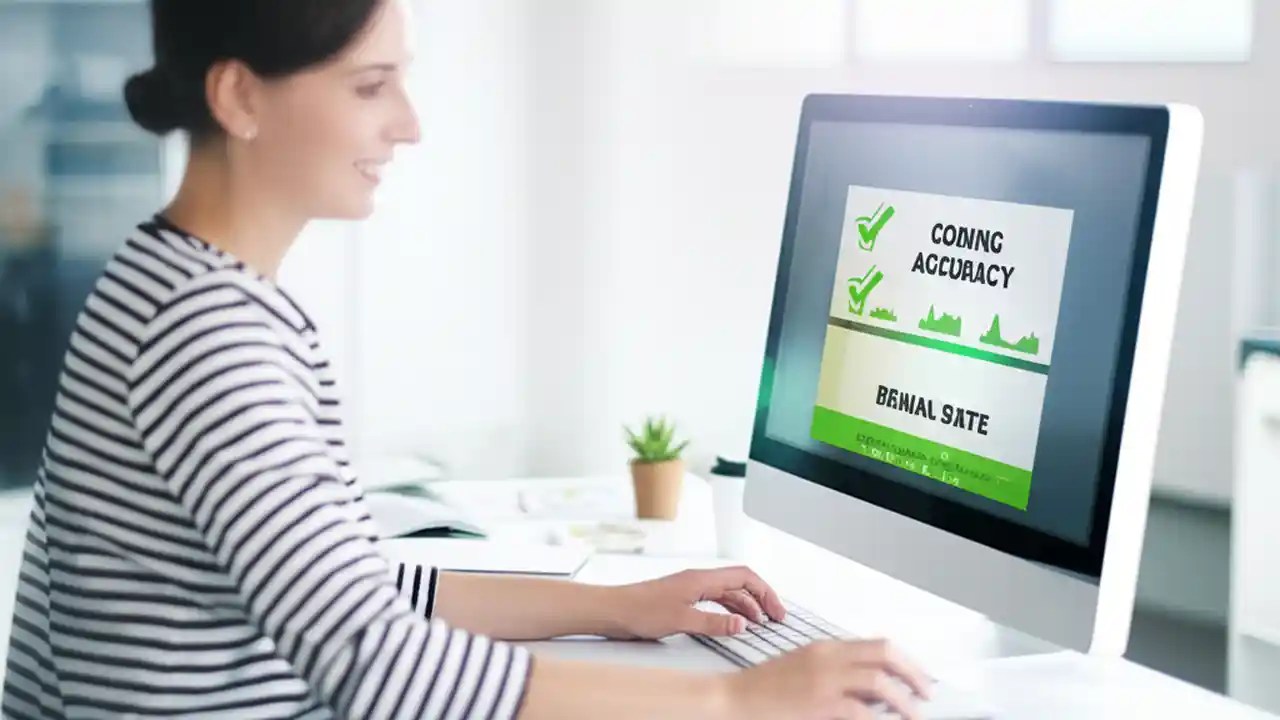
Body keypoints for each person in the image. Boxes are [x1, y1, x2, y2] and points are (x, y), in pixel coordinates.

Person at [1, 1, 930, 718]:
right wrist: (737, 699)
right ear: (240, 96)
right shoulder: (206, 338)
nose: (409, 124)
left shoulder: (169, 283)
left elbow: (351, 590)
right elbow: (376, 664)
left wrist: (618, 603)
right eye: (370, 87)